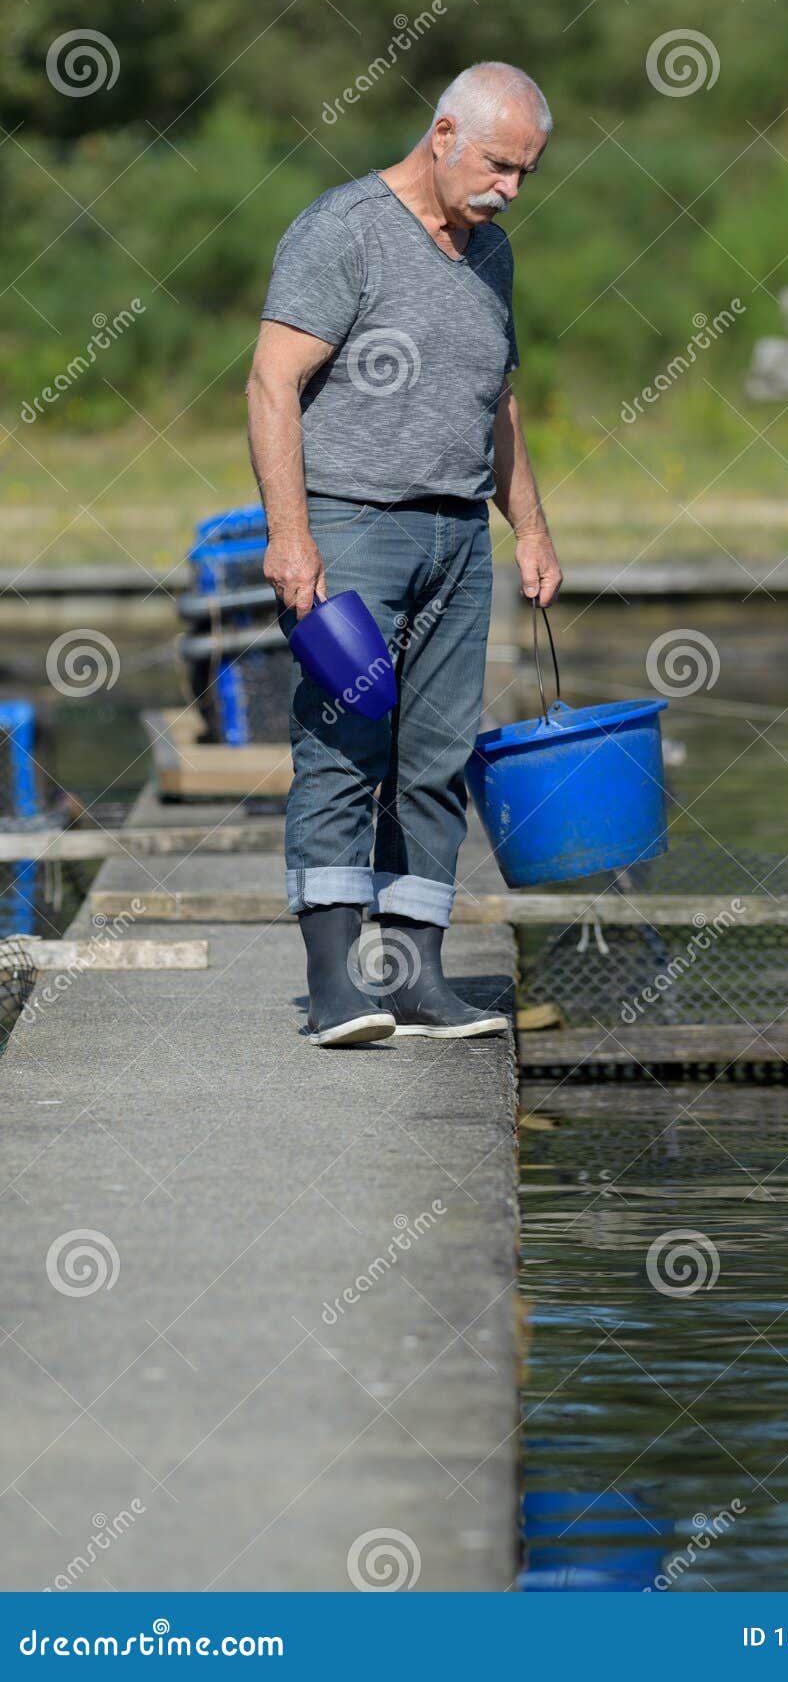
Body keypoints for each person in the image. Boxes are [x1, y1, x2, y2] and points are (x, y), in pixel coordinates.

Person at [247, 61, 562, 1046]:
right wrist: (291, 536)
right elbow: (269, 383)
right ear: (441, 135)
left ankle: (418, 977)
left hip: (456, 535)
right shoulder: (340, 230)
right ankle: (337, 986)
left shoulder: (490, 254)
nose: (509, 189)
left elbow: (495, 400)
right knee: (344, 744)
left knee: (433, 759)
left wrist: (532, 527)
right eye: (499, 166)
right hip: (351, 530)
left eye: (524, 174)